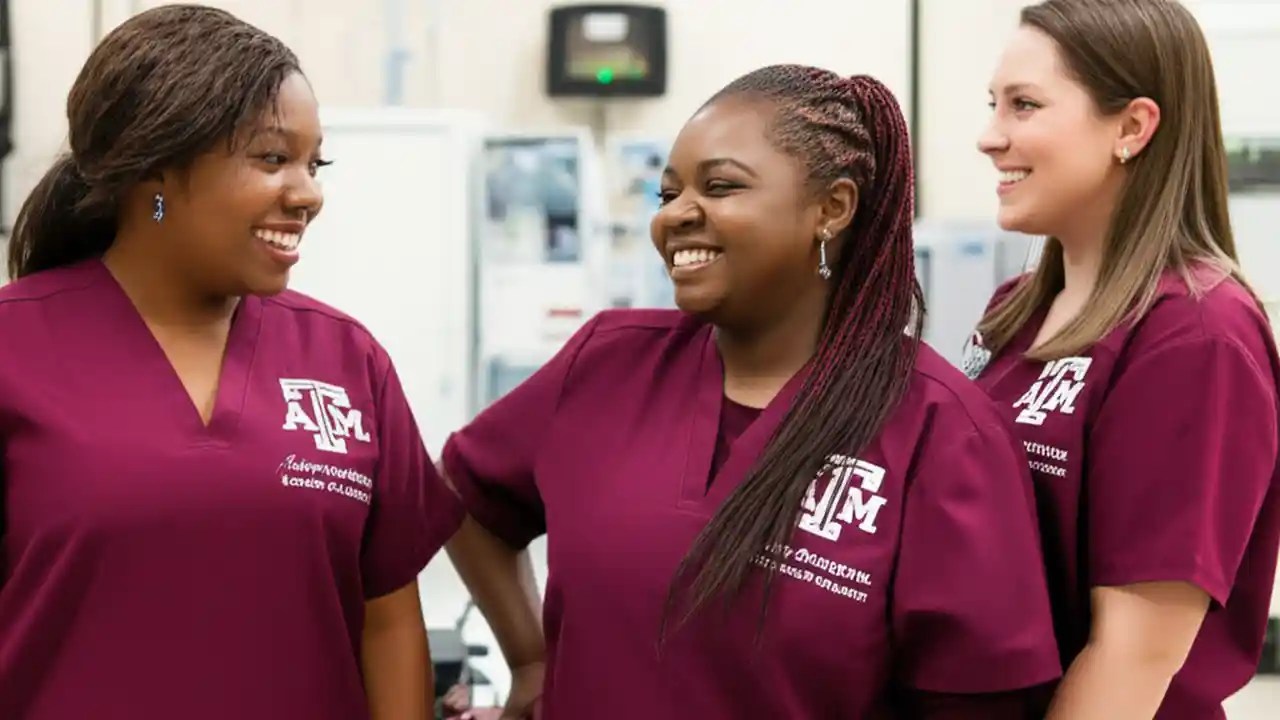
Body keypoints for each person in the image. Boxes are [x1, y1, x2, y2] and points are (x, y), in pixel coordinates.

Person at [441, 64, 1062, 719]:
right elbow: (463, 495)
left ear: (832, 209)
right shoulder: (606, 363)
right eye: (667, 194)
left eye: (720, 187)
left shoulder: (941, 432)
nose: (677, 216)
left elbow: (981, 698)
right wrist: (534, 664)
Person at [0, 6, 462, 719]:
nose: (308, 192)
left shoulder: (347, 361)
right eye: (273, 158)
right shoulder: (15, 348)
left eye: (315, 163)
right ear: (153, 167)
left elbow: (388, 618)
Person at [972, 1, 1280, 718]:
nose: (990, 137)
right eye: (994, 104)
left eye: (1025, 106)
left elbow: (1133, 655)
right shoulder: (1015, 308)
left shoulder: (1198, 336)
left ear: (1133, 128)